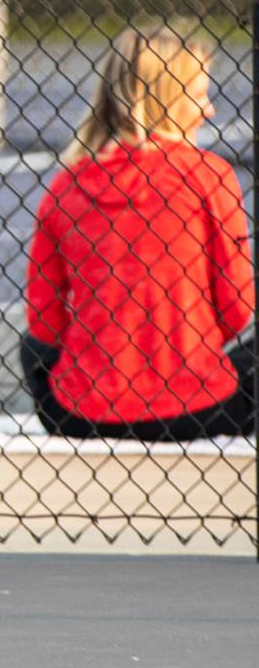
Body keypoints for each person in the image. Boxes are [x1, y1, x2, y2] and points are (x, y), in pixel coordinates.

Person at [22, 26, 256, 440]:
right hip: (199, 407)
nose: (210, 110)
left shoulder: (65, 186)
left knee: (32, 348)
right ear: (166, 101)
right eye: (198, 96)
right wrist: (184, 345)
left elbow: (44, 323)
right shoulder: (210, 176)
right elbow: (238, 307)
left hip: (80, 414)